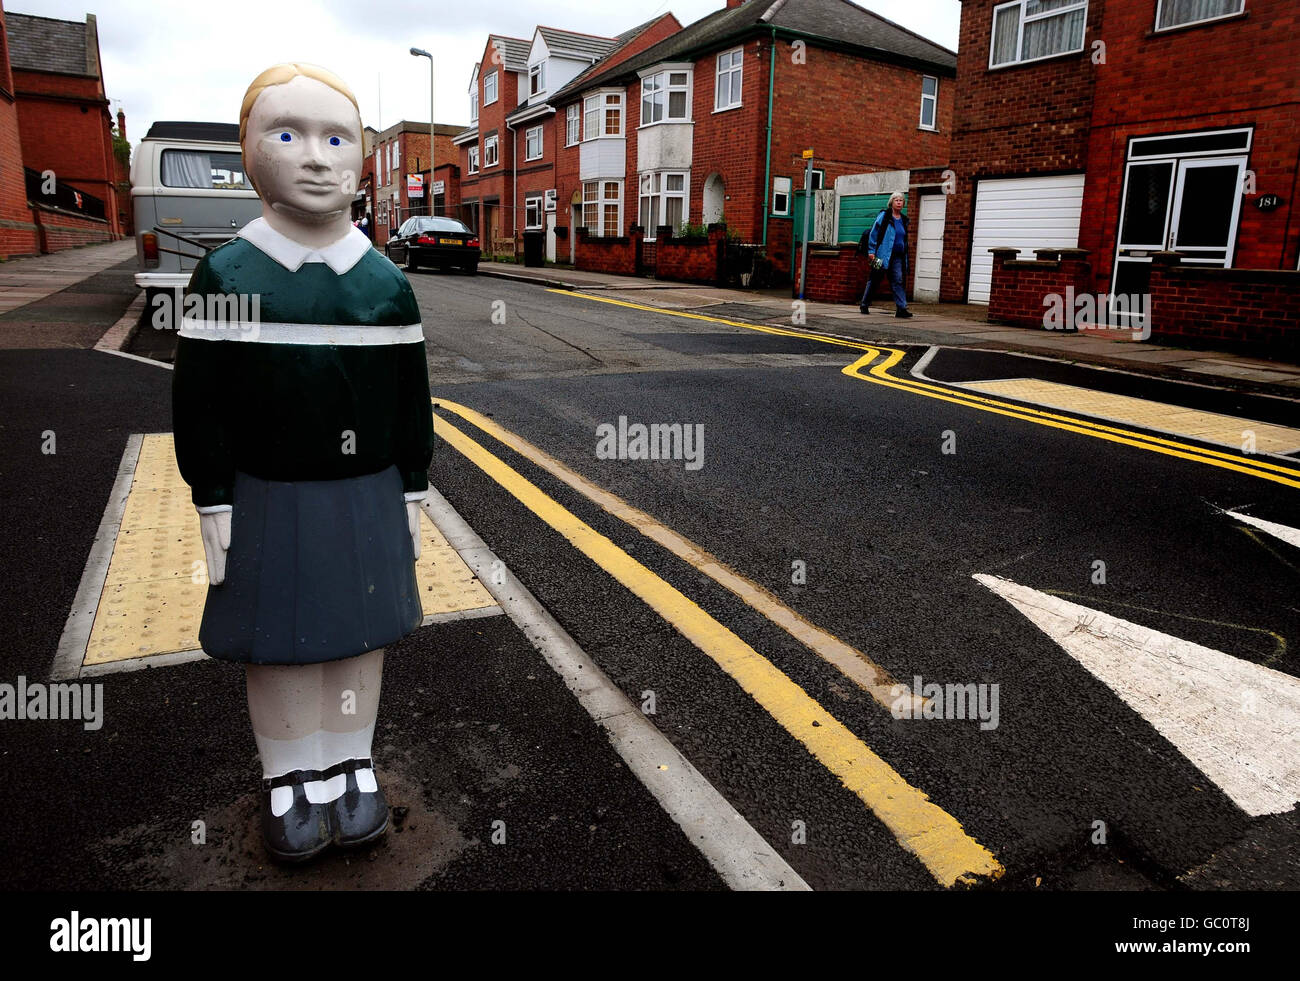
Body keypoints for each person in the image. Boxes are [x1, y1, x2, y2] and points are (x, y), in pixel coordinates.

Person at [173, 62, 434, 862]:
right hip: (268, 496)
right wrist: (212, 495)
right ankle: (290, 775)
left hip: (367, 495)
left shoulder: (387, 286)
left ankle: (350, 762)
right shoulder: (228, 276)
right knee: (281, 641)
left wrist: (414, 492)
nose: (317, 157)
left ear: (361, 157)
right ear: (248, 151)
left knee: (359, 635)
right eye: (288, 134)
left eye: (336, 137)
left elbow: (411, 403)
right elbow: (200, 400)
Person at [857, 191, 912, 318]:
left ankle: (901, 308)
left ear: (903, 203)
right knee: (874, 279)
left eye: (901, 200)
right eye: (896, 200)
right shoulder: (884, 216)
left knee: (898, 280)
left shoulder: (904, 220)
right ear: (891, 202)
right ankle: (864, 304)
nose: (899, 202)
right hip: (880, 255)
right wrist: (871, 251)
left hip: (897, 256)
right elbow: (874, 233)